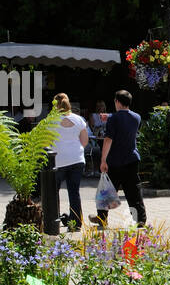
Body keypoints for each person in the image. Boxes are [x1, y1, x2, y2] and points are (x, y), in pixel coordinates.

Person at [91, 89, 147, 228]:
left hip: (114, 161)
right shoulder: (137, 117)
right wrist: (109, 116)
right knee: (133, 191)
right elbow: (125, 117)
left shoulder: (114, 119)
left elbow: (108, 139)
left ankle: (102, 219)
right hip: (132, 159)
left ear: (117, 101)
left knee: (106, 190)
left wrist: (103, 160)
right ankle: (140, 219)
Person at [51, 93, 89, 230]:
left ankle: (54, 220)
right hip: (77, 160)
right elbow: (84, 141)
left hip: (58, 161)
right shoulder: (79, 119)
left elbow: (45, 143)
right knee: (74, 192)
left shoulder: (51, 121)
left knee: (53, 192)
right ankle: (76, 224)